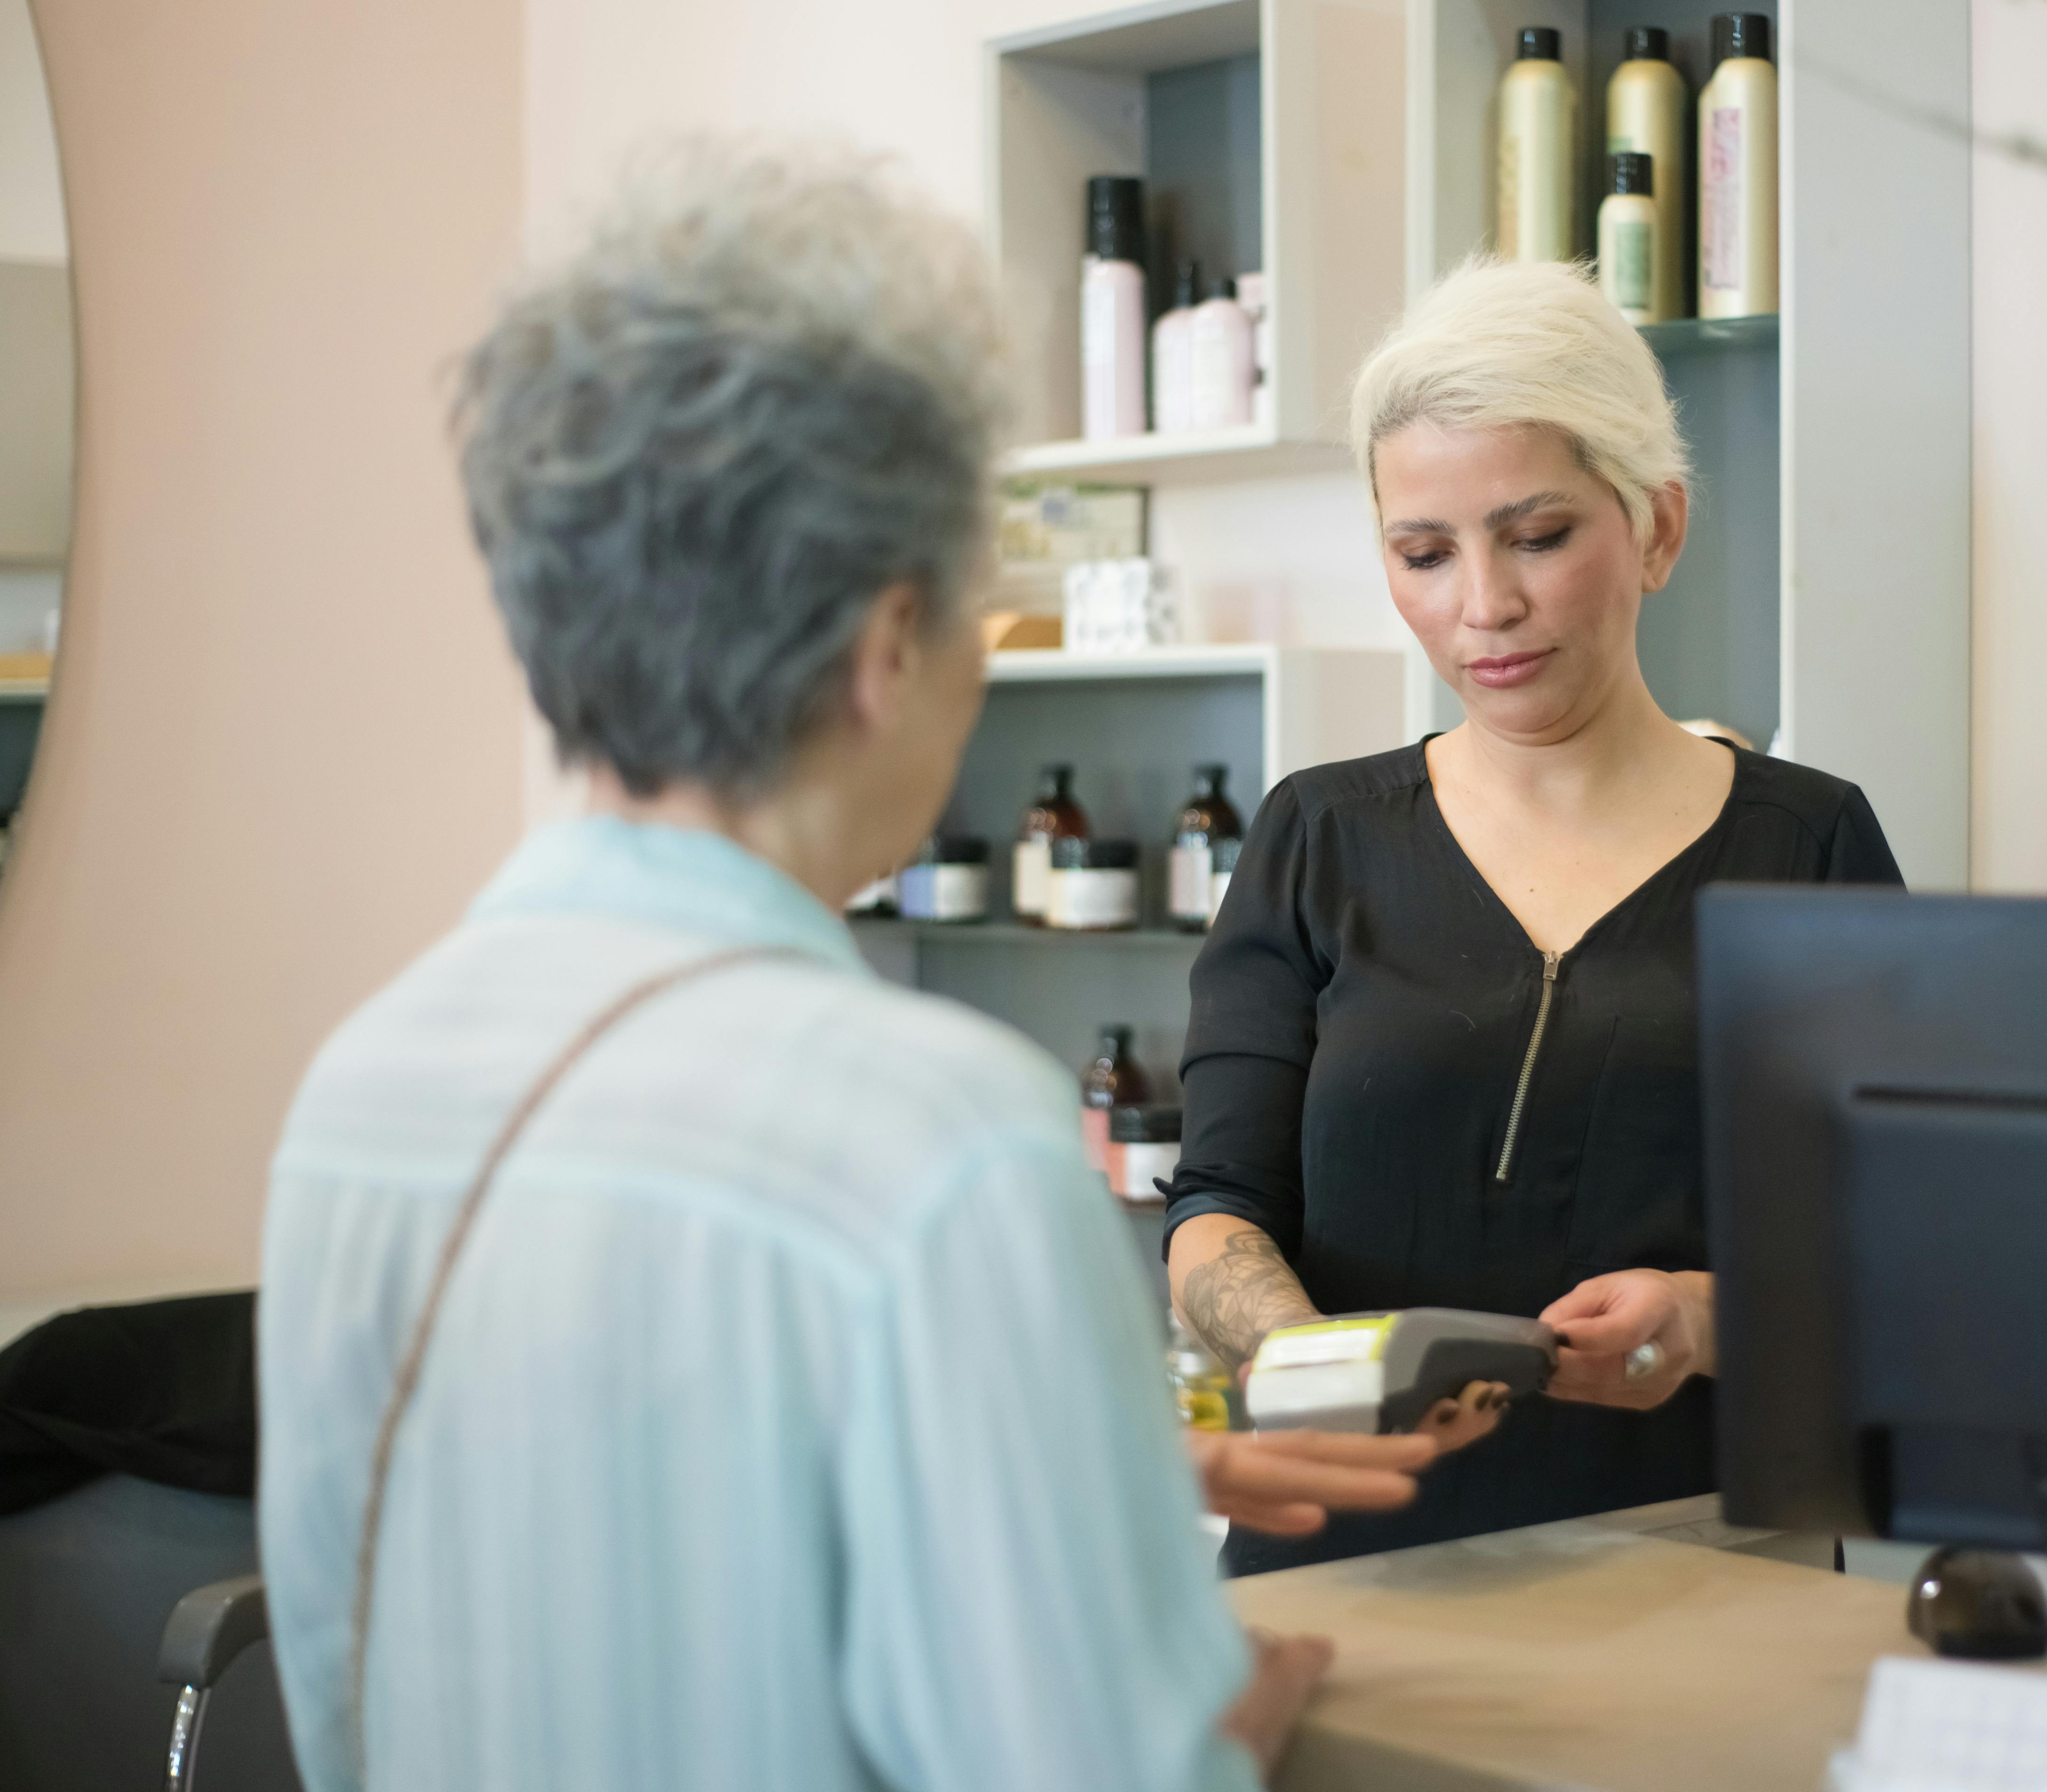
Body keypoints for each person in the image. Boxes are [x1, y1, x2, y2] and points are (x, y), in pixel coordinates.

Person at [257, 144, 1435, 1792]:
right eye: (974, 621)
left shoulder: (365, 1089)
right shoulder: (935, 1144)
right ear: (888, 648)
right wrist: (1234, 1706)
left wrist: (1062, 1495)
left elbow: (432, 1633)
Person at [1164, 258, 1907, 1575]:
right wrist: (1308, 1357)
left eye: (1539, 536)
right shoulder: (1317, 836)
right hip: (1349, 1567)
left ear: (1658, 528)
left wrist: (1699, 1321)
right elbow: (1219, 1208)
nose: (1484, 607)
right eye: (1424, 554)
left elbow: (1900, 1252)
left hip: (1700, 1572)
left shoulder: (1807, 847)